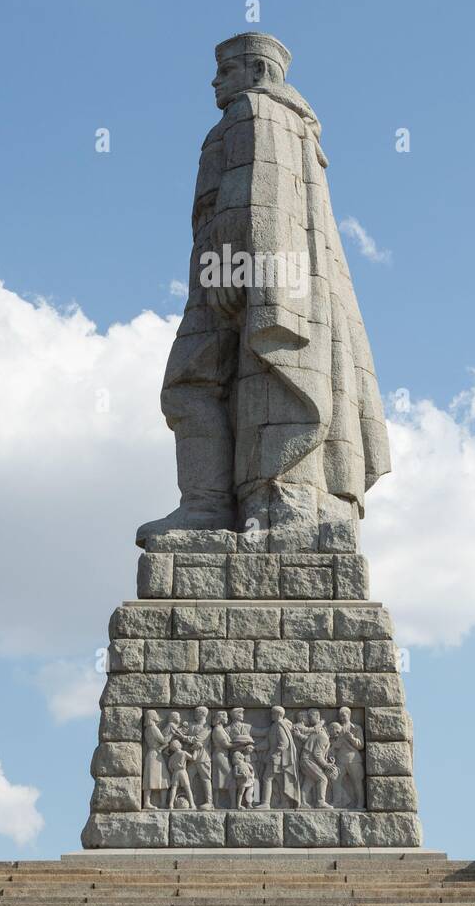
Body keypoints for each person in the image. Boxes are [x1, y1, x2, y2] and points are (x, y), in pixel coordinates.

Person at [136, 33, 391, 549]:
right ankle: (214, 504)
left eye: (224, 70)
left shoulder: (256, 111)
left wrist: (235, 269)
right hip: (241, 271)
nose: (215, 81)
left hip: (233, 273)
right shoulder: (286, 123)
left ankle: (247, 507)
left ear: (258, 72)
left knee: (215, 380)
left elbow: (262, 195)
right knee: (210, 382)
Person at [257, 706, 300, 809]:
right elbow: (268, 743)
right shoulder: (275, 726)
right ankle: (286, 802)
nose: (271, 716)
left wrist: (275, 754)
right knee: (280, 781)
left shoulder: (280, 725)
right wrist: (256, 748)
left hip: (276, 759)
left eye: (273, 714)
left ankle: (266, 803)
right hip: (277, 759)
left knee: (266, 778)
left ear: (279, 715)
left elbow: (284, 743)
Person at [298, 709, 338, 809]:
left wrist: (328, 758)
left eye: (311, 717)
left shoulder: (320, 733)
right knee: (323, 779)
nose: (309, 720)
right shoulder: (319, 732)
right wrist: (326, 765)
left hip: (307, 760)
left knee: (310, 780)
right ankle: (320, 802)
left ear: (317, 716)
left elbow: (317, 750)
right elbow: (316, 753)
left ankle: (302, 802)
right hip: (308, 760)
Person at [329, 707, 365, 809]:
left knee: (357, 782)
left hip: (353, 759)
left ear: (349, 715)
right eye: (340, 716)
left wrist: (351, 738)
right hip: (340, 759)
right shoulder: (337, 729)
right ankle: (337, 801)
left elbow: (361, 745)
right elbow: (334, 745)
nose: (342, 718)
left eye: (343, 715)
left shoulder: (356, 728)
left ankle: (360, 803)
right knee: (335, 779)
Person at [142, 709, 169, 810]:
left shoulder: (148, 729)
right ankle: (147, 802)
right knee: (154, 779)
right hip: (155, 755)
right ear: (153, 716)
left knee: (160, 778)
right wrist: (171, 733)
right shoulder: (153, 728)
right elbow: (163, 740)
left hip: (153, 754)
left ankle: (161, 803)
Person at [166, 739, 195, 810]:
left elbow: (169, 767)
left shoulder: (172, 756)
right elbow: (193, 758)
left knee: (174, 788)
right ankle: (192, 804)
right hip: (183, 772)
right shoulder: (184, 753)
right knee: (188, 788)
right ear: (179, 745)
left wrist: (174, 770)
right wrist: (195, 750)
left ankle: (171, 804)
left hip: (175, 772)